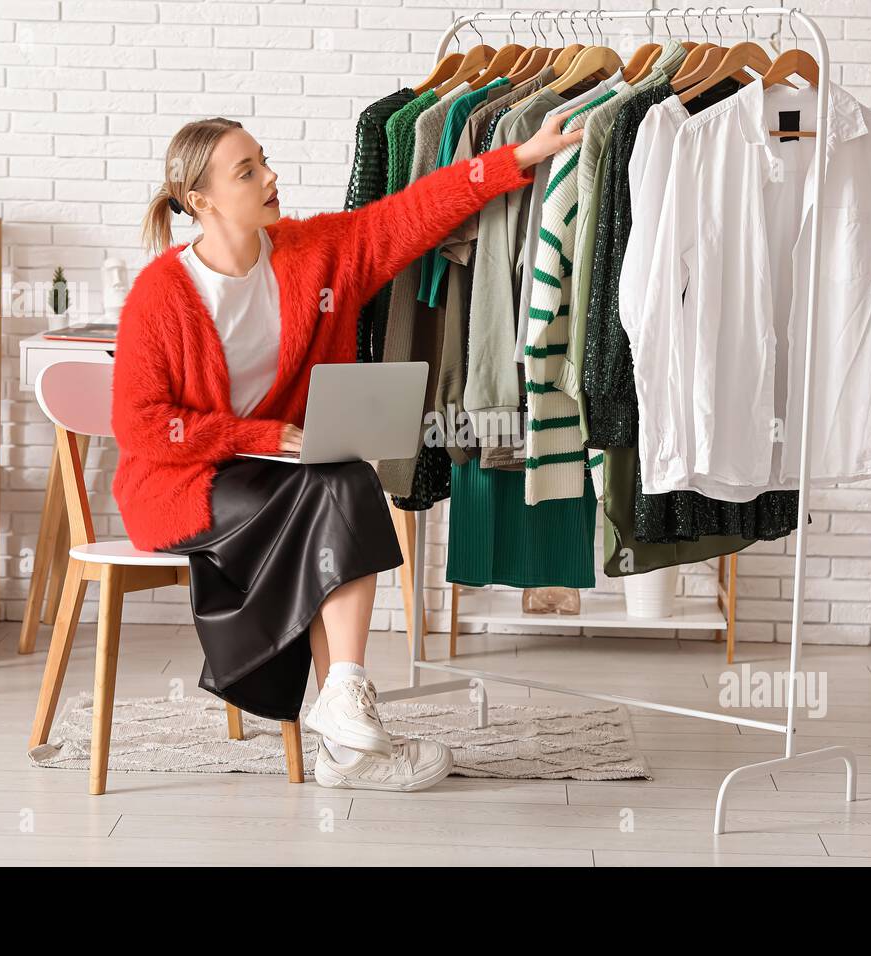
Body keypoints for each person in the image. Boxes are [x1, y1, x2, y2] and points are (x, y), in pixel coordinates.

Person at [110, 113, 580, 791]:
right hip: (186, 482)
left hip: (284, 478)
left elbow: (409, 216)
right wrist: (262, 438)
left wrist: (518, 157)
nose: (271, 177)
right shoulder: (162, 293)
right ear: (201, 201)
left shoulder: (314, 253)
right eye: (247, 171)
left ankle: (346, 715)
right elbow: (143, 427)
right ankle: (350, 734)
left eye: (264, 160)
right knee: (337, 488)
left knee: (346, 481)